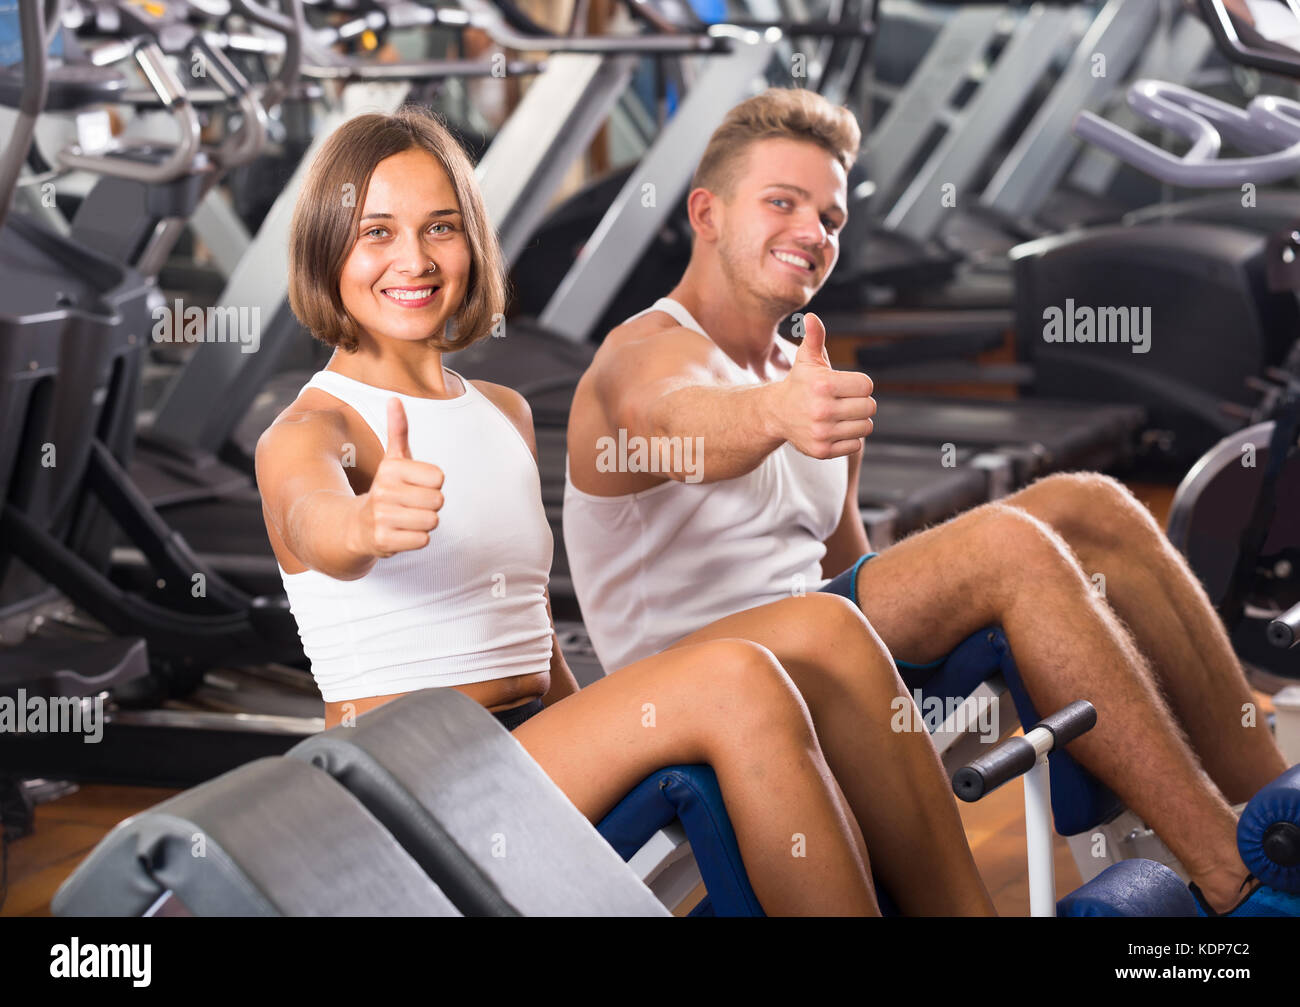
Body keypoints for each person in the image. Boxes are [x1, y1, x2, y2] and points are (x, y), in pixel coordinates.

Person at [564, 86, 1300, 917]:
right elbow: (679, 426)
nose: (812, 232)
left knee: (1085, 504)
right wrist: (776, 414)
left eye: (832, 219)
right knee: (1007, 549)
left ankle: (1279, 819)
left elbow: (846, 565)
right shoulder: (642, 353)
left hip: (823, 632)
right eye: (783, 202)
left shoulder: (804, 367)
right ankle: (1230, 877)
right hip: (693, 678)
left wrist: (990, 589)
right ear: (706, 212)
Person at [254, 105, 995, 916]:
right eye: (376, 233)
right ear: (327, 247)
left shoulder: (501, 409)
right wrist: (361, 526)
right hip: (407, 776)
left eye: (440, 227)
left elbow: (531, 628)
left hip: (531, 739)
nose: (415, 258)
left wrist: (614, 728)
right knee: (734, 677)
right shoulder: (309, 428)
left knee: (828, 627)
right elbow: (308, 520)